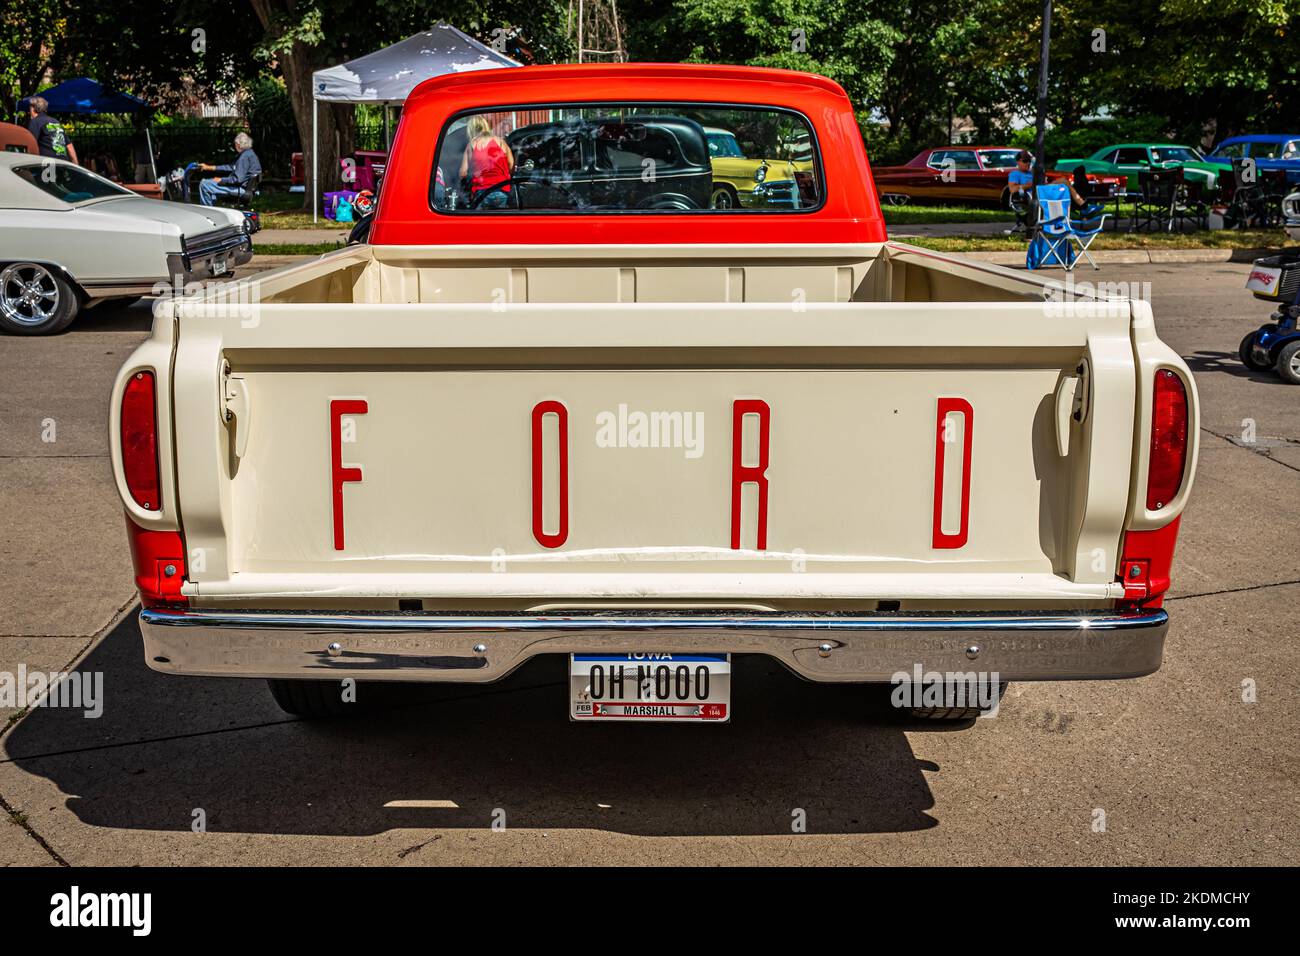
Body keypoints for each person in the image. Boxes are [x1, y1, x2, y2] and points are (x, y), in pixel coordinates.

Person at [459, 115, 514, 208]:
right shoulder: (500, 142)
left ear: (471, 129)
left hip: (481, 192)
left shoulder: (471, 144)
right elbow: (511, 164)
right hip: (502, 190)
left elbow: (463, 172)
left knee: (481, 221)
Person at [198, 132, 261, 206]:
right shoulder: (249, 153)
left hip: (241, 190)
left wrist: (221, 180)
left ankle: (207, 212)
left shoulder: (244, 158)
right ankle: (213, 209)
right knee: (210, 183)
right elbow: (231, 167)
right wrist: (208, 167)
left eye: (235, 144)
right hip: (248, 189)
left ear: (238, 144)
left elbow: (237, 179)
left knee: (204, 184)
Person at [26, 96, 78, 165]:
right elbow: (69, 146)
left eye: (30, 108)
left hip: (47, 164)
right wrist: (76, 165)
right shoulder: (56, 122)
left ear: (33, 108)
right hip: (63, 163)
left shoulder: (35, 122)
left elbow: (31, 144)